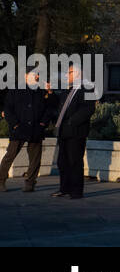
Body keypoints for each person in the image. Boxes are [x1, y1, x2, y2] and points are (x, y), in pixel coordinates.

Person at [1, 70, 53, 192]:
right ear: (25, 76)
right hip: (18, 129)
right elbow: (7, 109)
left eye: (38, 75)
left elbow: (50, 108)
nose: (37, 77)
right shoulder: (15, 90)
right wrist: (15, 125)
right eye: (34, 74)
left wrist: (42, 124)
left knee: (35, 158)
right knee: (10, 156)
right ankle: (1, 181)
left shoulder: (41, 91)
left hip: (36, 129)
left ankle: (30, 183)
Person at [51, 64, 94, 200]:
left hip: (76, 132)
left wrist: (72, 121)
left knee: (74, 161)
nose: (66, 75)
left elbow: (88, 109)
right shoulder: (66, 90)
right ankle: (64, 188)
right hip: (63, 131)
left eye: (69, 72)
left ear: (77, 74)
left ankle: (76, 191)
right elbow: (59, 107)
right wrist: (51, 94)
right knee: (62, 162)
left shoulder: (87, 89)